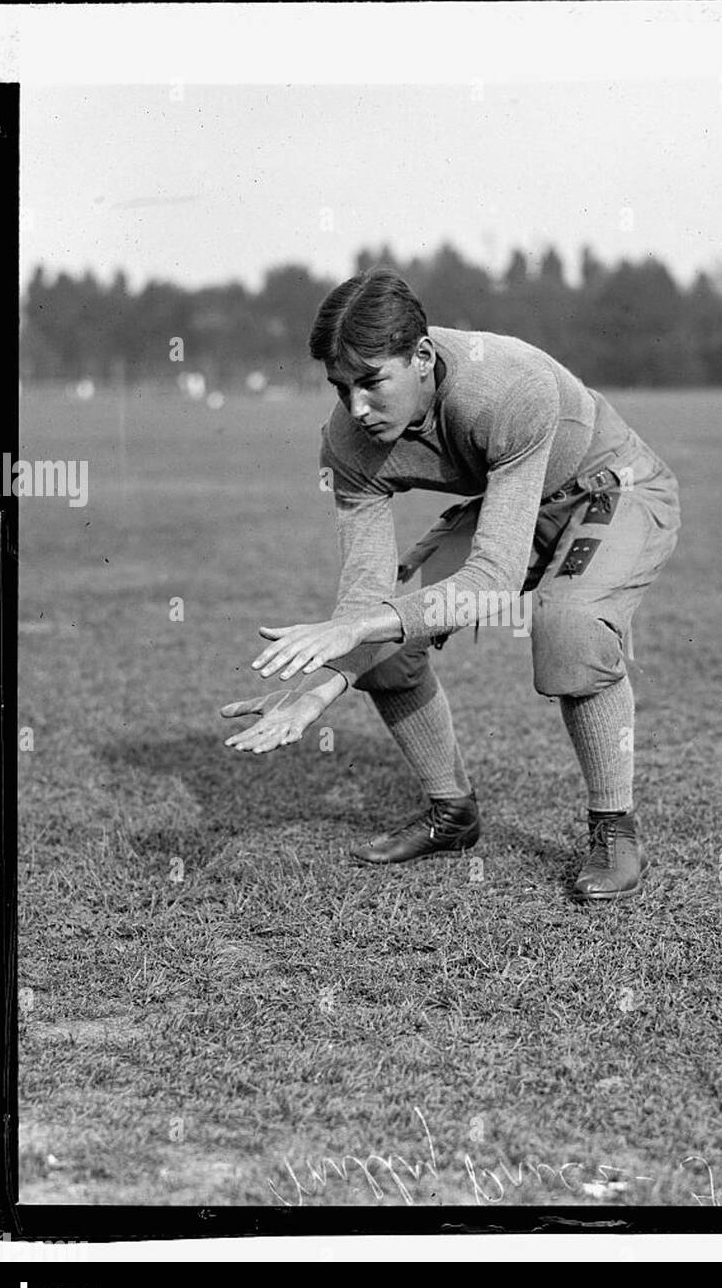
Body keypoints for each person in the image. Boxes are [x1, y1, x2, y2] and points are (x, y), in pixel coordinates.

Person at [220, 268, 680, 903]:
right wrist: (316, 691)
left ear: (424, 356)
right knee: (388, 641)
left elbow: (491, 579)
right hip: (512, 505)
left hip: (610, 489)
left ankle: (613, 830)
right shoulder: (347, 441)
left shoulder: (507, 386)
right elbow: (364, 599)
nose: (355, 407)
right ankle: (452, 814)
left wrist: (358, 629)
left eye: (373, 381)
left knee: (566, 625)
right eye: (340, 385)